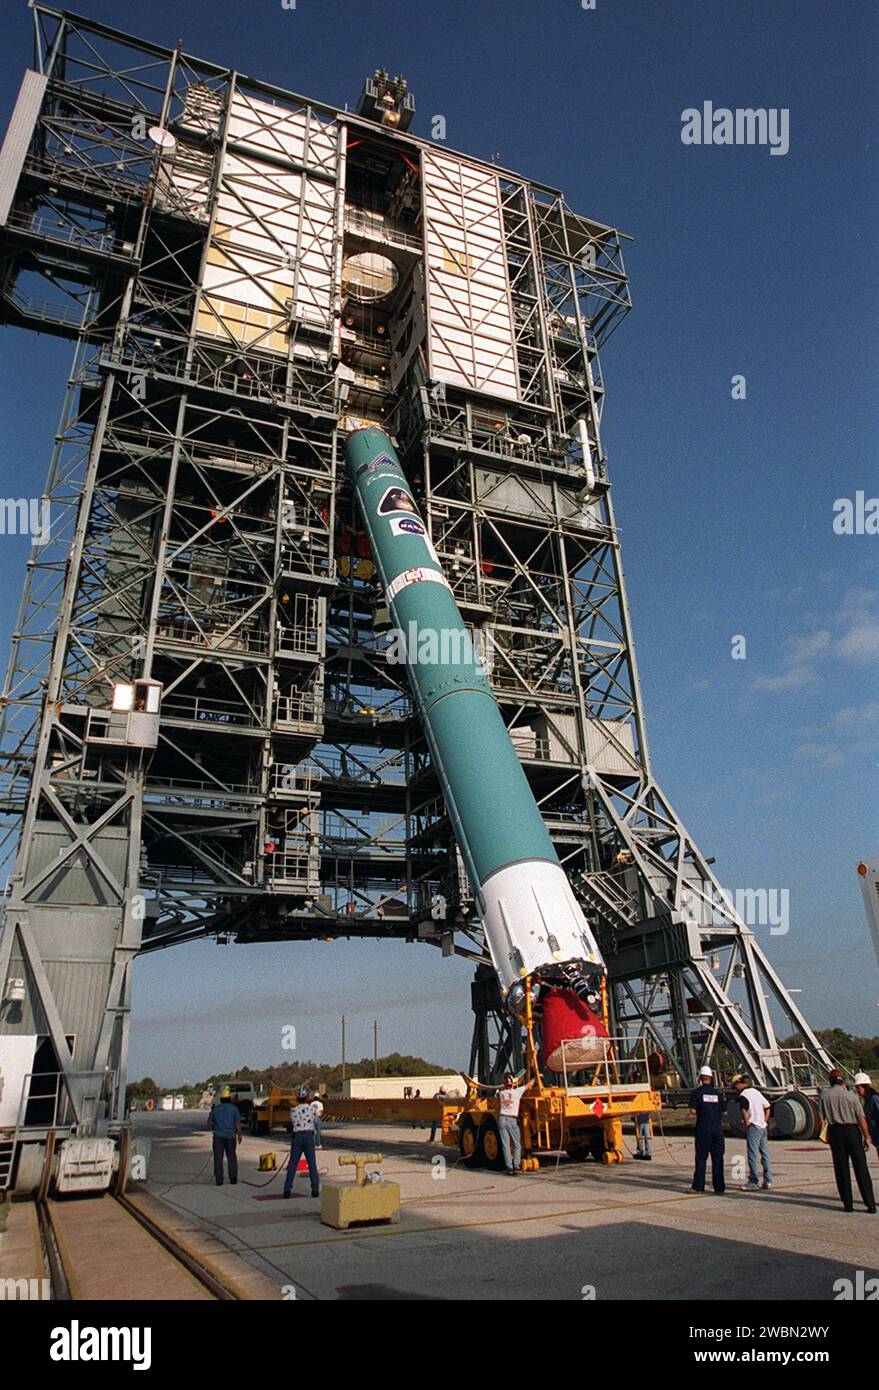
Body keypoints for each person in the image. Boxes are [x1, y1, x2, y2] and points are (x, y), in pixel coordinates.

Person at [818, 1070, 875, 1213]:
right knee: (861, 1167)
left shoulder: (824, 1096)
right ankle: (870, 1203)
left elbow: (821, 1120)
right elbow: (861, 1118)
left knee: (841, 1168)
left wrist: (826, 1136)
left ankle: (848, 1204)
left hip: (835, 1132)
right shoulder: (851, 1096)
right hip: (852, 1131)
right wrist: (866, 1137)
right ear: (843, 1081)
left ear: (830, 1082)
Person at [688, 1065, 726, 1194]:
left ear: (700, 1078)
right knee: (718, 1158)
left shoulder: (697, 1093)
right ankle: (719, 1187)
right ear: (711, 1078)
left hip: (703, 1129)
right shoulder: (717, 1093)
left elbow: (693, 1111)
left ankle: (698, 1186)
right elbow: (724, 1111)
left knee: (701, 1158)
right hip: (717, 1129)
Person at [732, 1074, 772, 1191]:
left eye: (735, 1086)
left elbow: (744, 1109)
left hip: (754, 1127)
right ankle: (768, 1180)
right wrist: (764, 1120)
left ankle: (753, 1181)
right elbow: (768, 1106)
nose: (735, 1089)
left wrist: (747, 1122)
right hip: (763, 1127)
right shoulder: (756, 1092)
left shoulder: (743, 1095)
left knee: (752, 1155)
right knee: (765, 1154)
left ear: (739, 1084)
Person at [282, 1087, 320, 1200]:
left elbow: (293, 1122)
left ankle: (287, 1189)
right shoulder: (312, 1109)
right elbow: (316, 1120)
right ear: (307, 1097)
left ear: (297, 1098)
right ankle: (315, 1189)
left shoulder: (293, 1110)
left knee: (293, 1164)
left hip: (297, 1137)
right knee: (312, 1164)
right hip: (308, 1136)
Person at [208, 1086, 242, 1187]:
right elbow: (238, 1124)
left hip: (218, 1136)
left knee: (218, 1158)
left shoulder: (216, 1109)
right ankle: (233, 1179)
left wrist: (215, 1126)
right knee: (231, 1157)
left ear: (221, 1099)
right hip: (230, 1137)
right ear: (230, 1098)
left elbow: (209, 1122)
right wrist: (239, 1135)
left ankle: (219, 1180)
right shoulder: (234, 1109)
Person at [854, 1072, 879, 1160]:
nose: (857, 1090)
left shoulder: (874, 1099)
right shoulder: (868, 1101)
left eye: (858, 1087)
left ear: (865, 1087)